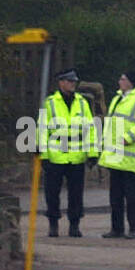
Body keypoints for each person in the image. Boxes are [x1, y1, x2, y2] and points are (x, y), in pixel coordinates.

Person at [37, 68, 99, 238]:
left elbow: (90, 129)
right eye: (70, 81)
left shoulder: (82, 103)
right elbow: (42, 129)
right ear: (61, 82)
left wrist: (92, 153)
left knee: (76, 194)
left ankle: (74, 225)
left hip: (76, 158)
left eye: (74, 81)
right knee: (52, 193)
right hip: (55, 157)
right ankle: (53, 224)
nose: (73, 84)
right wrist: (43, 156)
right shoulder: (50, 103)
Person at [99, 71, 135, 240]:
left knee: (131, 196)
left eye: (123, 79)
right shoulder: (117, 99)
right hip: (115, 155)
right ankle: (116, 229)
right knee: (115, 196)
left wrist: (128, 137)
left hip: (130, 156)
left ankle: (134, 229)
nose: (120, 81)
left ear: (131, 82)